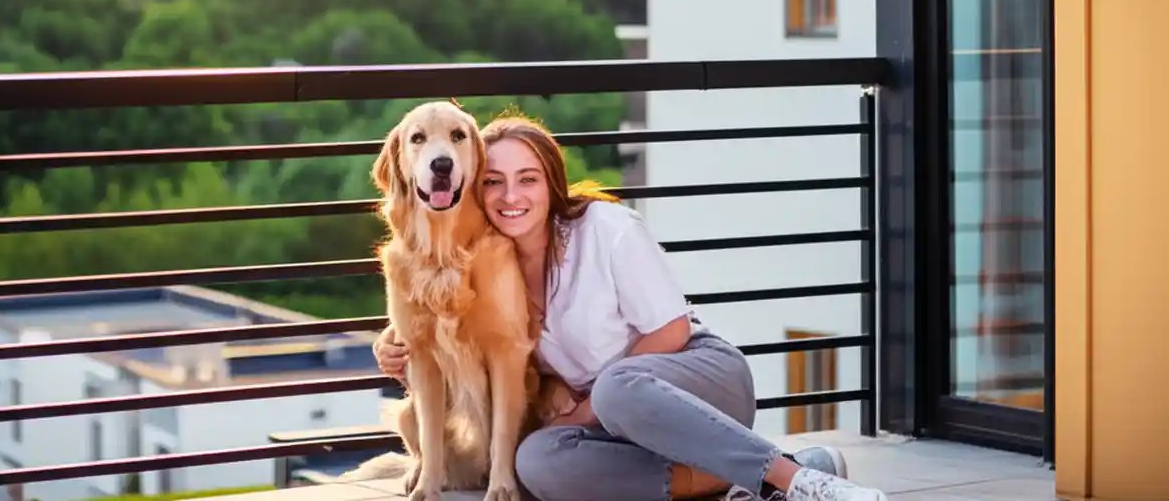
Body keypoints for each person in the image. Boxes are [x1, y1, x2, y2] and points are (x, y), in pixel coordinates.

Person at [372, 114, 888, 501]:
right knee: (536, 461)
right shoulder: (485, 260)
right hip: (617, 420)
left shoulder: (606, 230)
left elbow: (670, 331)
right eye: (494, 181)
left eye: (528, 179)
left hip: (695, 379)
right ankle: (736, 480)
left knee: (619, 386)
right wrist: (392, 342)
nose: (511, 196)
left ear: (551, 184)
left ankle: (800, 481)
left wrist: (592, 407)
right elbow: (443, 336)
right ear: (472, 185)